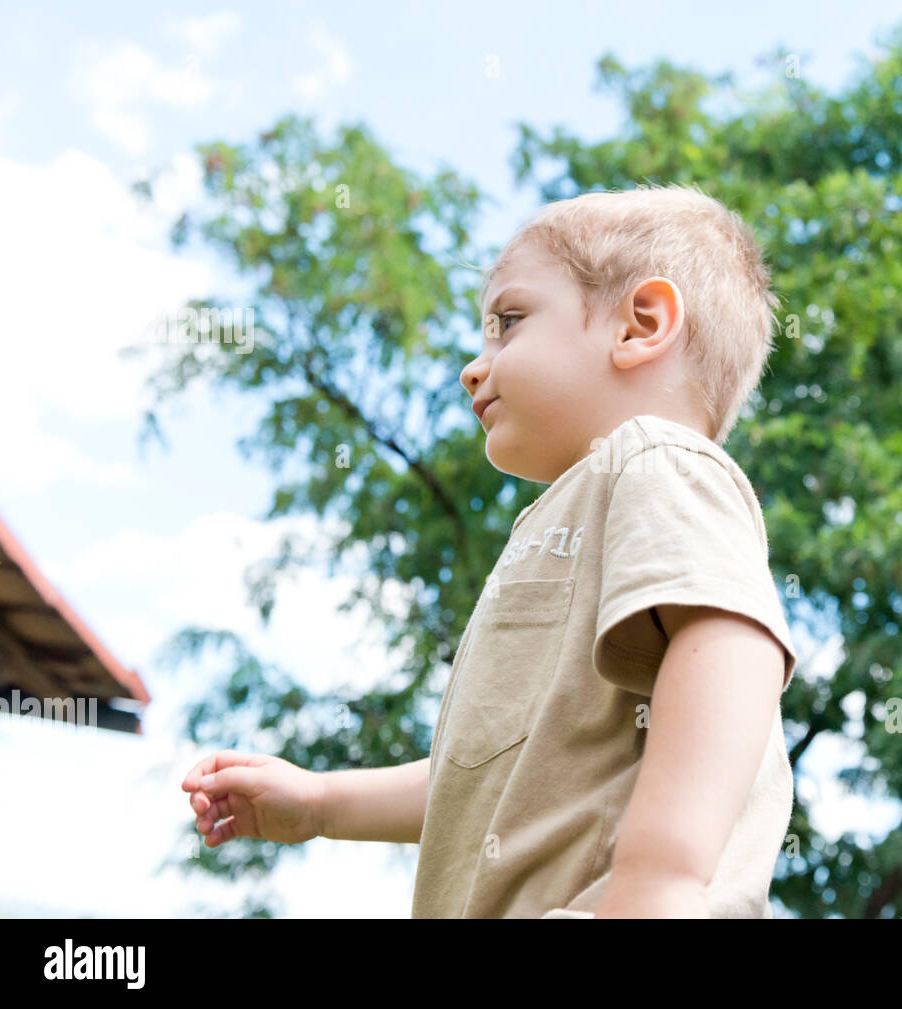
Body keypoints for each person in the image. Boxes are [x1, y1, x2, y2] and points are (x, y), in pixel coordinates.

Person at [181, 182, 799, 918]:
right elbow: (486, 777)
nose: (474, 366)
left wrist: (660, 879)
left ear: (640, 325)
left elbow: (733, 644)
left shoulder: (658, 460)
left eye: (508, 322)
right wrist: (319, 802)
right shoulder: (566, 518)